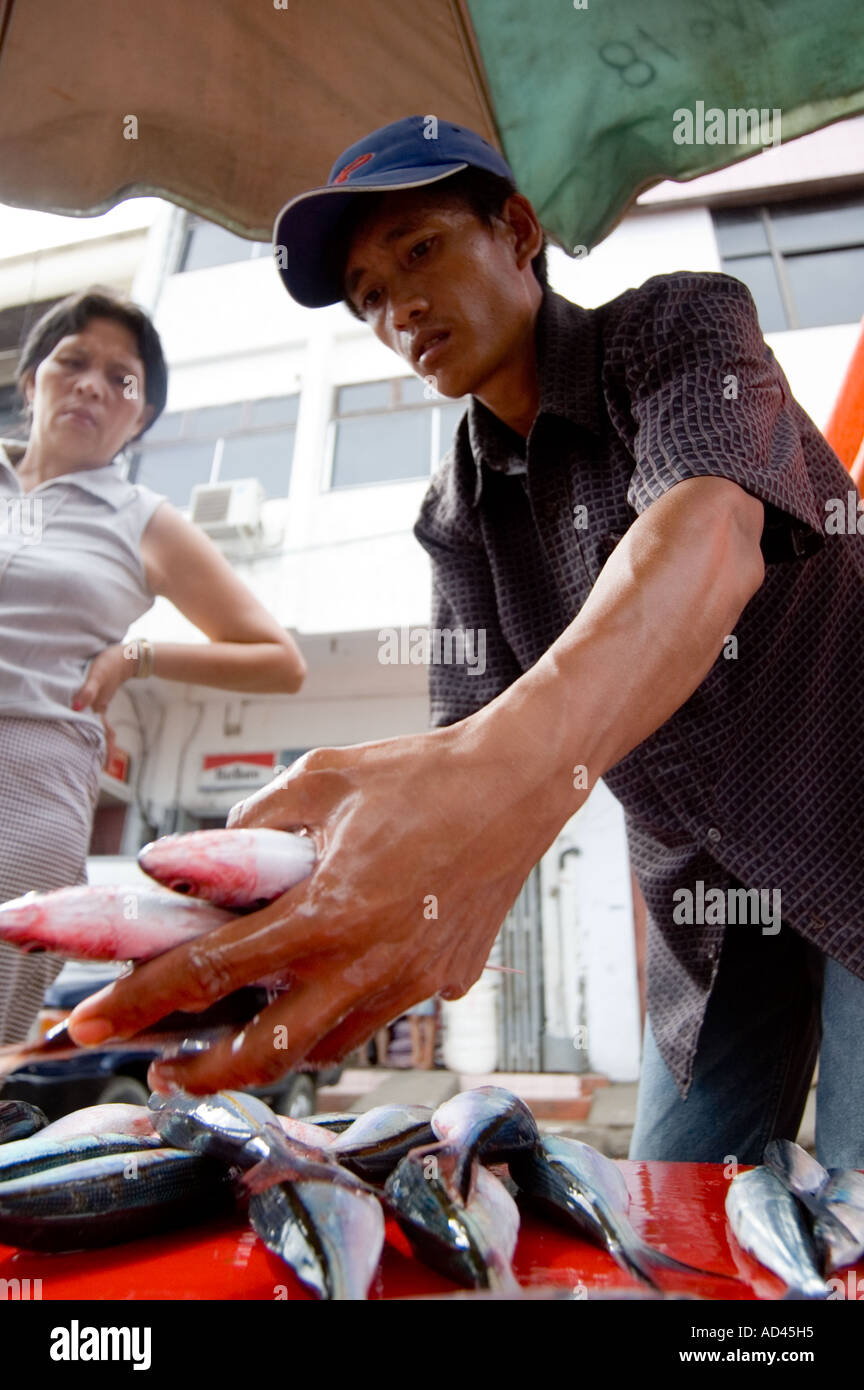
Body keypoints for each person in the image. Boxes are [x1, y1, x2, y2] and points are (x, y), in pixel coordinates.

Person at [68, 119, 864, 1168]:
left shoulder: (680, 327)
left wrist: (484, 775)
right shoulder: (459, 511)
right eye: (366, 295)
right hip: (703, 918)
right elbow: (463, 752)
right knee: (669, 1222)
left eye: (419, 249)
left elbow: (709, 533)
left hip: (847, 806)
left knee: (855, 1210)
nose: (397, 305)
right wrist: (268, 928)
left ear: (519, 231)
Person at [0, 287, 306, 1046]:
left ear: (140, 418)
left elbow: (279, 661)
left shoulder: (144, 520)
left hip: (27, 798)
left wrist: (135, 655)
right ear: (30, 381)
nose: (93, 385)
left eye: (122, 379)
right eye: (72, 362)